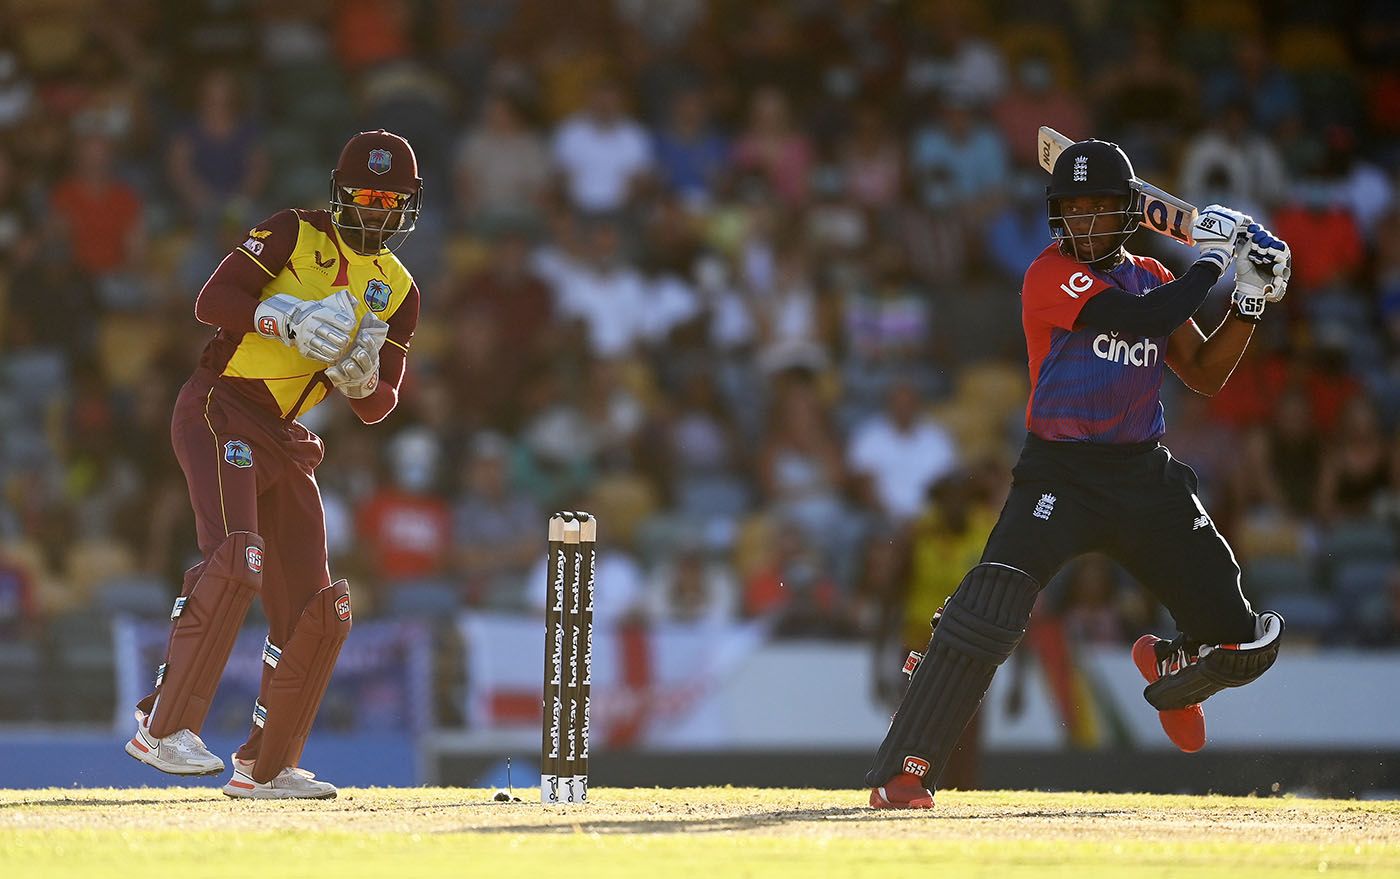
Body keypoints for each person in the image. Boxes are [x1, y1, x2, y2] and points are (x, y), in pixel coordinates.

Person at [866, 139, 1292, 809]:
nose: (1086, 222)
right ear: (1057, 215)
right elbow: (1142, 319)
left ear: (1128, 213)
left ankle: (1171, 662)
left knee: (1243, 640)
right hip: (1059, 475)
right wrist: (1214, 257)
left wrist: (1250, 296)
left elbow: (1205, 373)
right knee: (987, 612)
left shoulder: (1152, 274)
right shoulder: (1049, 274)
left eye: (1100, 208)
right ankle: (905, 773)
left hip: (1142, 473)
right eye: (1074, 209)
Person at [124, 130, 423, 800]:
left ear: (407, 206)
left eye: (388, 201)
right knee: (238, 558)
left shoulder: (399, 289)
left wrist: (358, 379)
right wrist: (284, 319)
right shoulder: (293, 232)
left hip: (286, 436)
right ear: (340, 193)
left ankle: (267, 766)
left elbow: (380, 403)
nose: (374, 211)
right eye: (365, 196)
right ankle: (162, 726)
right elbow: (212, 302)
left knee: (320, 608)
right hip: (223, 403)